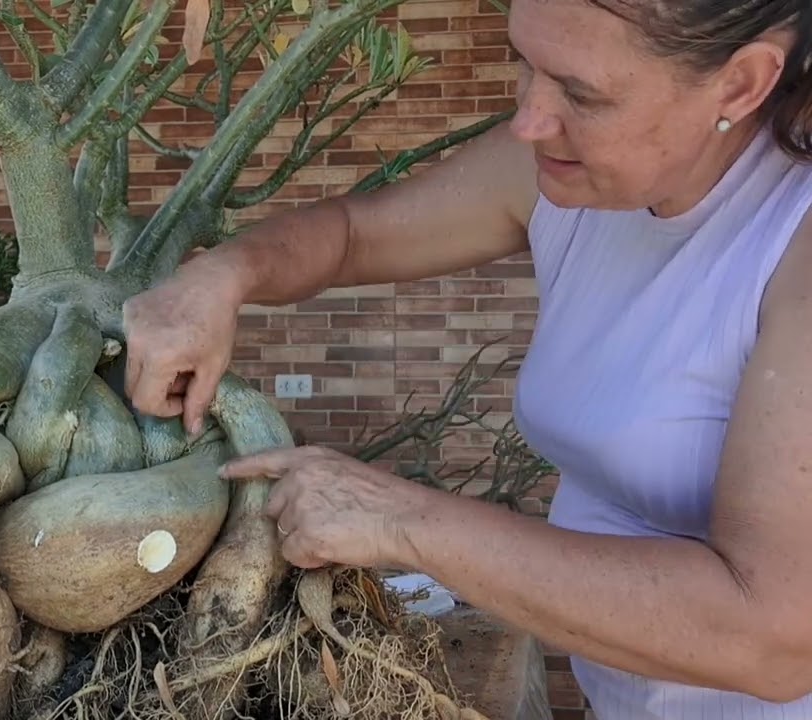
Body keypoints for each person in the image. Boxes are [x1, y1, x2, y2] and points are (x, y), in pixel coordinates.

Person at [120, 0, 812, 717]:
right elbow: (355, 235)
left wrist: (401, 520)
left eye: (582, 94)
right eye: (524, 63)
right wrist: (221, 277)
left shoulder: (794, 242)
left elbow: (772, 639)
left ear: (741, 83)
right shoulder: (562, 165)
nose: (529, 120)